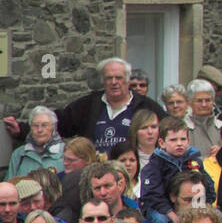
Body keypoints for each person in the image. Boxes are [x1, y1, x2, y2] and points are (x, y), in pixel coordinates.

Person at [5, 57, 164, 154]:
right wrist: (22, 130)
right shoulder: (89, 105)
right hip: (94, 172)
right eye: (109, 78)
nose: (114, 83)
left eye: (119, 78)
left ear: (128, 80)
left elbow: (167, 130)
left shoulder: (145, 106)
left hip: (131, 172)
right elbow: (59, 123)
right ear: (103, 80)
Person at [140, 116, 213, 222]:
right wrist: (172, 215)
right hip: (162, 210)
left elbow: (209, 187)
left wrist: (205, 206)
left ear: (188, 141)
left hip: (194, 206)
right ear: (162, 143)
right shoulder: (154, 165)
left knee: (216, 216)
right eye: (173, 140)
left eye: (183, 139)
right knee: (161, 222)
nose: (179, 143)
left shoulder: (195, 162)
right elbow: (152, 195)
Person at [8, 106, 65, 177]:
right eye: (35, 125)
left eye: (44, 125)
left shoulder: (65, 152)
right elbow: (9, 184)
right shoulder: (19, 154)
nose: (39, 130)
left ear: (53, 127)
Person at [184, 79, 222, 158]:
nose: (204, 104)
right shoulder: (182, 127)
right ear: (190, 102)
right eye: (199, 101)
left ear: (213, 101)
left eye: (208, 100)